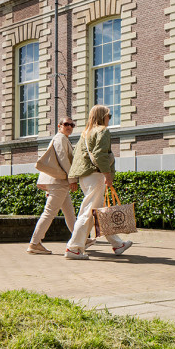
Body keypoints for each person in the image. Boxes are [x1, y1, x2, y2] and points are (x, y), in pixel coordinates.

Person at [64, 104, 132, 260]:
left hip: (85, 177)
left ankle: (117, 244)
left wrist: (73, 178)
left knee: (97, 212)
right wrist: (107, 174)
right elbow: (100, 154)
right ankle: (73, 248)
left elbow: (76, 159)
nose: (109, 118)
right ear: (103, 116)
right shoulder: (103, 131)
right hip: (96, 175)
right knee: (87, 212)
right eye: (109, 115)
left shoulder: (84, 134)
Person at [27, 117, 80, 254]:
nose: (69, 127)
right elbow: (63, 159)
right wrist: (72, 179)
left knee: (69, 213)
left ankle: (80, 239)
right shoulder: (60, 138)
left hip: (58, 182)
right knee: (49, 213)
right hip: (59, 182)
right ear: (59, 126)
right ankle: (34, 243)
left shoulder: (62, 139)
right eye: (66, 124)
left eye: (72, 125)